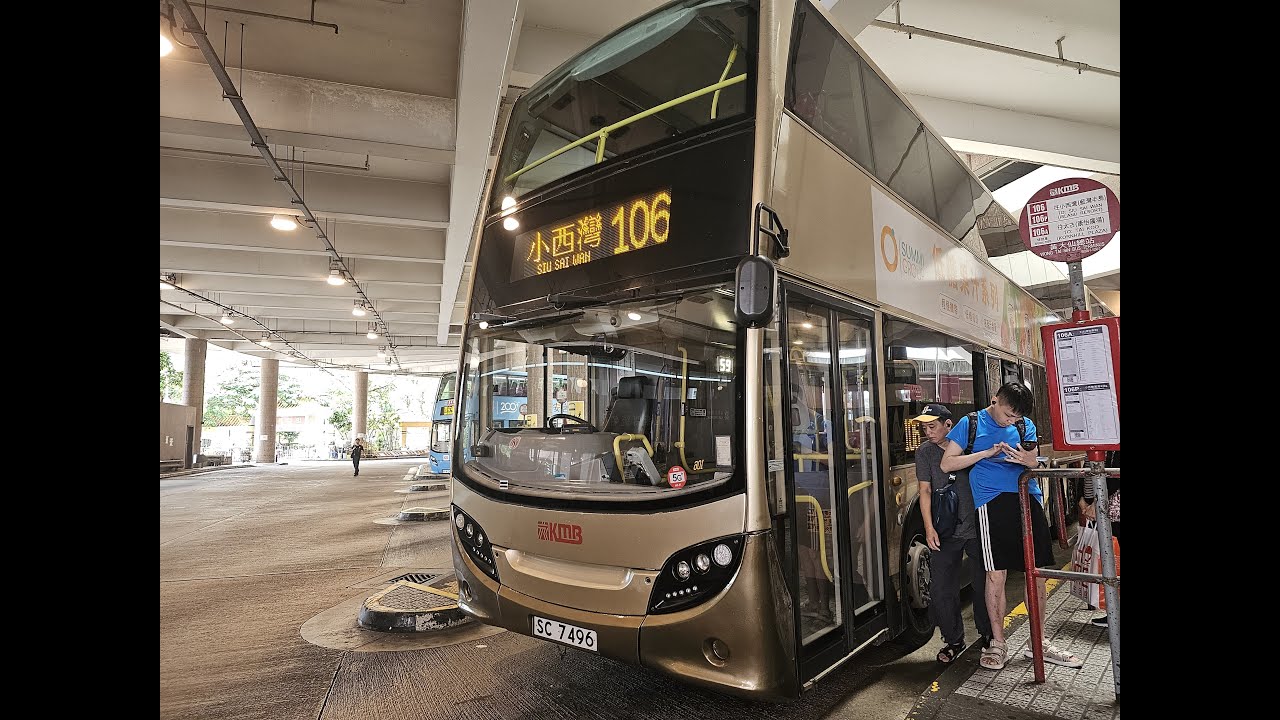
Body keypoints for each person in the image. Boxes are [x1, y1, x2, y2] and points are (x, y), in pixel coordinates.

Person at [940, 382, 1083, 671]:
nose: (1012, 421)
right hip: (991, 502)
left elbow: (1037, 462)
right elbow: (947, 464)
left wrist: (1031, 461)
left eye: (1016, 418)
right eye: (1008, 415)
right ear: (995, 400)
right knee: (996, 573)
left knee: (1038, 572)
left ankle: (1038, 641)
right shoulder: (970, 424)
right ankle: (998, 642)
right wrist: (985, 454)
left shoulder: (1024, 425)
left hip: (1028, 497)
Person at [914, 403, 992, 664]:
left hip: (977, 526)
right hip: (945, 529)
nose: (928, 431)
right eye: (924, 427)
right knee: (941, 589)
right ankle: (953, 640)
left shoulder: (970, 446)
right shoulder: (924, 453)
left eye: (932, 426)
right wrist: (928, 528)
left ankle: (989, 637)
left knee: (985, 584)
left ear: (949, 425)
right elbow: (924, 490)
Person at [1078, 449, 1120, 627]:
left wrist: (1097, 501)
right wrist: (1083, 498)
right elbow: (1088, 467)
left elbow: (1113, 473)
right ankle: (1115, 612)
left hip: (1110, 502)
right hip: (1104, 503)